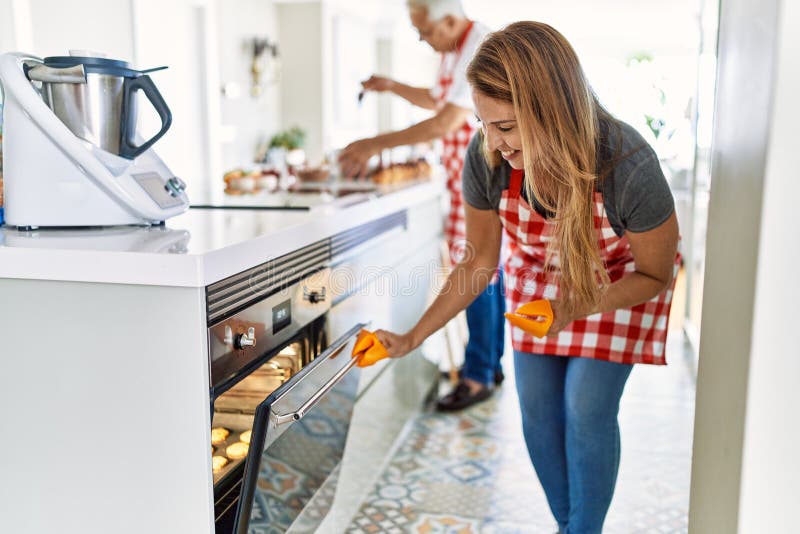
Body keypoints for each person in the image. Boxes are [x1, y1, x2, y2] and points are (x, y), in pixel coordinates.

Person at [373, 21, 681, 534]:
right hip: (539, 281)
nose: (491, 141)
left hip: (618, 286)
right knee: (538, 415)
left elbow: (655, 271)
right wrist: (411, 337)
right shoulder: (487, 157)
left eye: (507, 126)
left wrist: (573, 308)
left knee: (585, 410)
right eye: (483, 122)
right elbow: (477, 263)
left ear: (551, 109)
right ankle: (570, 526)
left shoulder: (628, 164)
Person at [339, 0, 505, 411]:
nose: (422, 40)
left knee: (476, 273)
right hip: (466, 180)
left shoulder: (477, 46)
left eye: (425, 32)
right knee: (488, 272)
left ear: (449, 21)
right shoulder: (455, 50)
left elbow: (445, 121)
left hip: (482, 179)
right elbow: (437, 101)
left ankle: (477, 375)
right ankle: (490, 365)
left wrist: (374, 143)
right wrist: (393, 86)